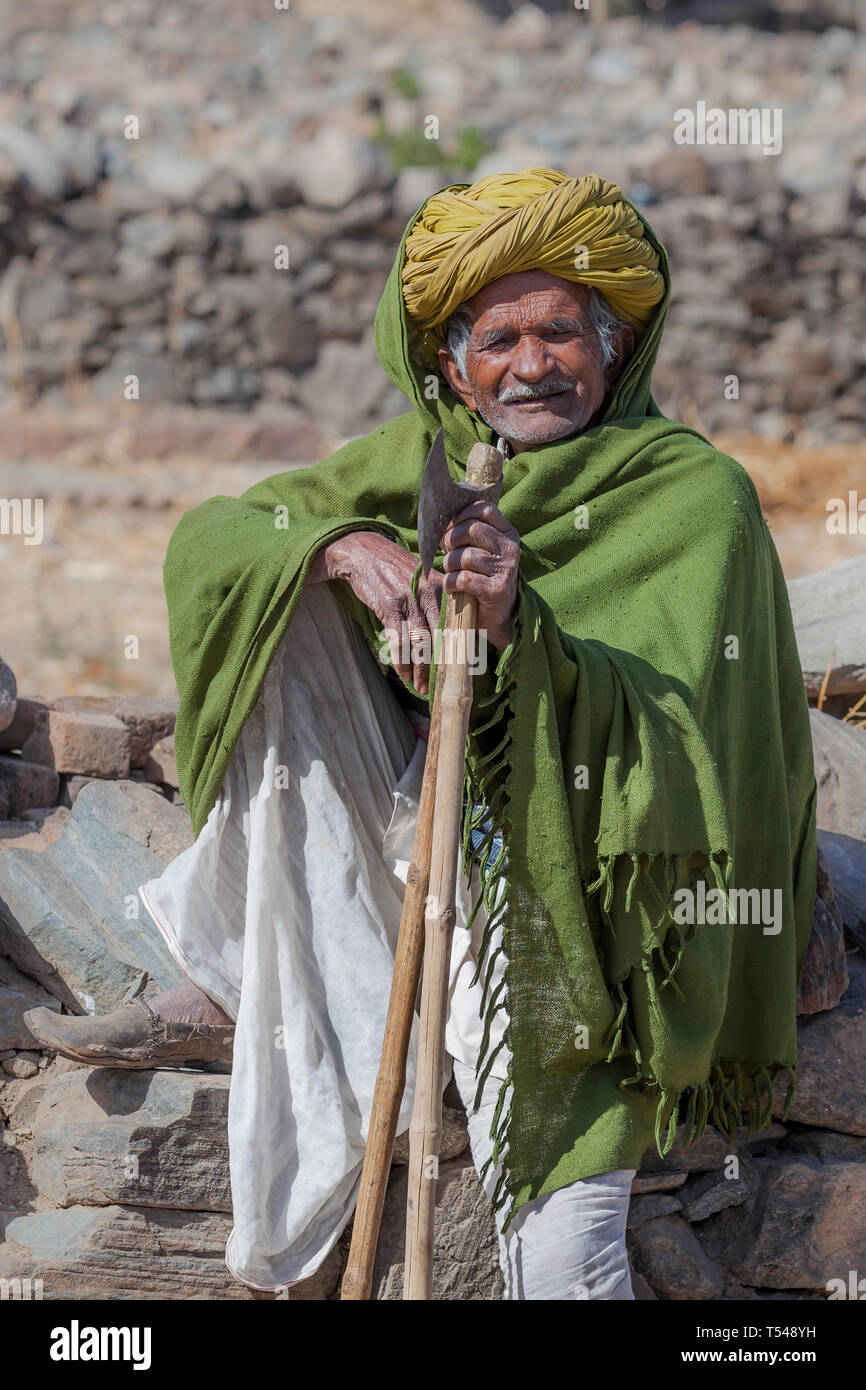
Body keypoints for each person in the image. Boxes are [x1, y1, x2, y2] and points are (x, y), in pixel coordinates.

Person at [26, 168, 817, 1300]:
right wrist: (347, 549)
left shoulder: (694, 495)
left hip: (562, 892)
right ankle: (270, 965)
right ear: (450, 365)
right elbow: (221, 530)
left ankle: (288, 984)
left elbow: (685, 752)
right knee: (281, 575)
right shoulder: (416, 462)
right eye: (496, 339)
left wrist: (515, 631)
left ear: (612, 347)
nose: (530, 365)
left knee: (562, 1235)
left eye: (558, 331)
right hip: (401, 850)